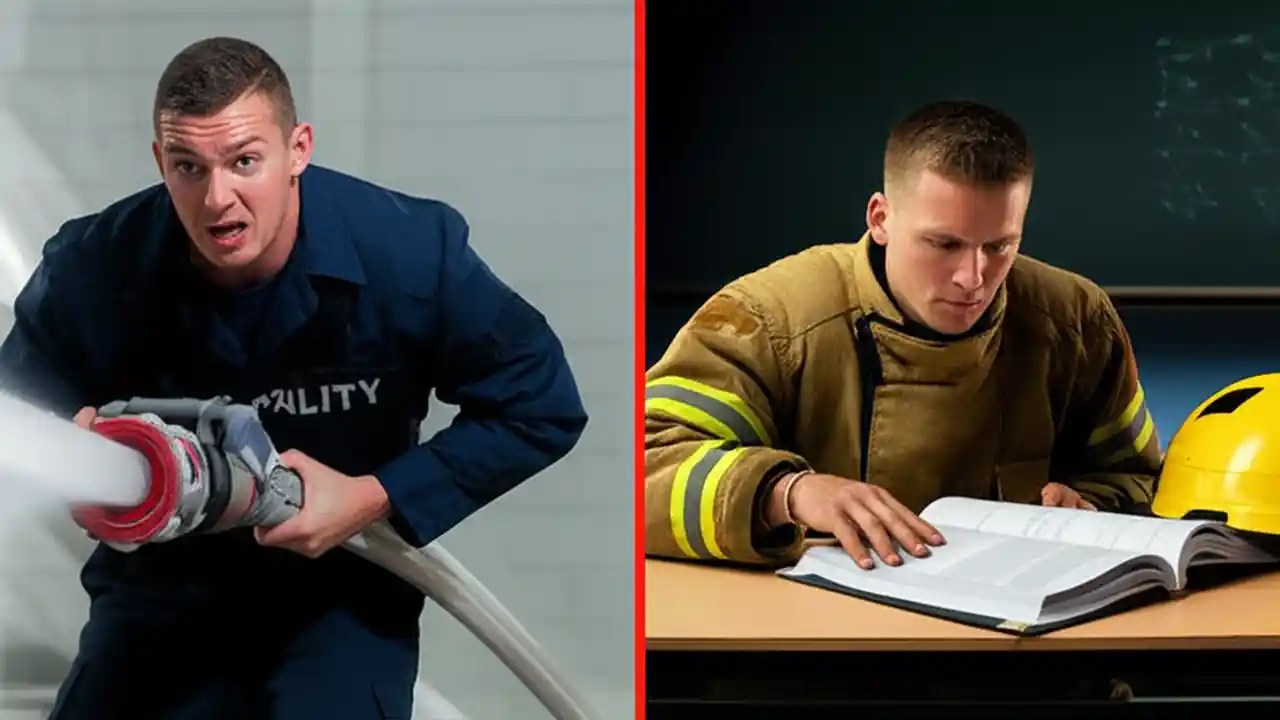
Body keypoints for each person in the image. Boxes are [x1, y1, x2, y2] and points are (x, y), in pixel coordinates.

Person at [0, 37, 588, 719]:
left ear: (298, 149)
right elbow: (15, 423)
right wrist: (72, 455)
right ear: (161, 161)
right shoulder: (95, 266)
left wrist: (371, 496)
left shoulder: (406, 255)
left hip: (337, 595)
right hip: (156, 594)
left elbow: (540, 406)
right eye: (189, 167)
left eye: (244, 161)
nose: (217, 198)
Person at [644, 100, 1160, 571]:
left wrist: (1091, 507)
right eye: (944, 244)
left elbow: (1139, 476)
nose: (972, 277)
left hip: (1020, 621)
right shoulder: (769, 320)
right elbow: (641, 470)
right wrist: (788, 493)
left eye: (999, 246)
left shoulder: (1076, 319)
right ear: (881, 218)